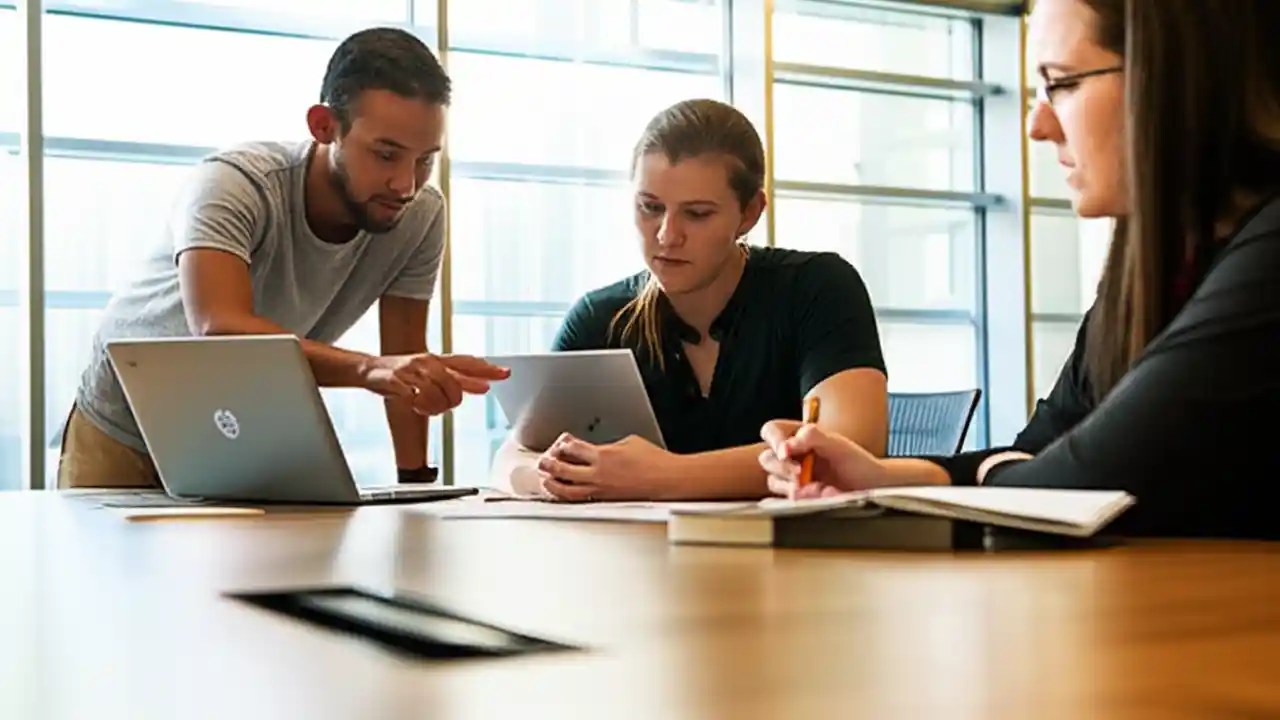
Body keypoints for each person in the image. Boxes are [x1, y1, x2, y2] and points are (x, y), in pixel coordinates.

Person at [759, 0, 1280, 539]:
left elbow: (1084, 483)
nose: (1036, 124)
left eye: (1063, 83)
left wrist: (1001, 476)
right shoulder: (1149, 270)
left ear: (1175, 79)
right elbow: (1041, 450)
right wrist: (881, 480)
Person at [59, 27, 509, 489]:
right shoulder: (235, 183)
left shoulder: (421, 217)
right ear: (324, 126)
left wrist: (416, 486)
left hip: (234, 426)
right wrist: (368, 368)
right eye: (386, 154)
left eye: (424, 160)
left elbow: (403, 363)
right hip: (125, 419)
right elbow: (219, 328)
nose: (406, 185)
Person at [492, 99, 889, 502]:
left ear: (750, 213)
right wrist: (549, 477)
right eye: (649, 208)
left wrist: (662, 476)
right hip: (637, 559)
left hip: (795, 558)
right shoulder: (600, 318)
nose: (666, 235)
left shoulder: (818, 288)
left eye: (697, 214)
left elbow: (851, 451)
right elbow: (511, 457)